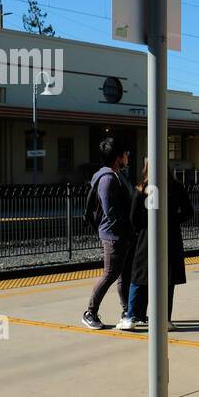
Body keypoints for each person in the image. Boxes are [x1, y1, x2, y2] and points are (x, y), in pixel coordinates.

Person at [123, 159, 193, 330]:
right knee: (167, 279)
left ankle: (131, 316)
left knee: (139, 277)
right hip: (171, 238)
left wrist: (144, 228)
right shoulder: (176, 188)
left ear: (146, 167)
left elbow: (133, 219)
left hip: (146, 239)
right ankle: (164, 318)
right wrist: (171, 220)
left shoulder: (141, 189)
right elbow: (188, 212)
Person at [82, 137, 136, 330]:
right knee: (111, 274)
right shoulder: (107, 179)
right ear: (117, 157)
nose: (127, 156)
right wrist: (130, 216)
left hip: (124, 233)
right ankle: (90, 312)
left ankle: (127, 311)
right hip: (113, 235)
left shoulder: (117, 175)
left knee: (124, 275)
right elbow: (110, 211)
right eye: (125, 153)